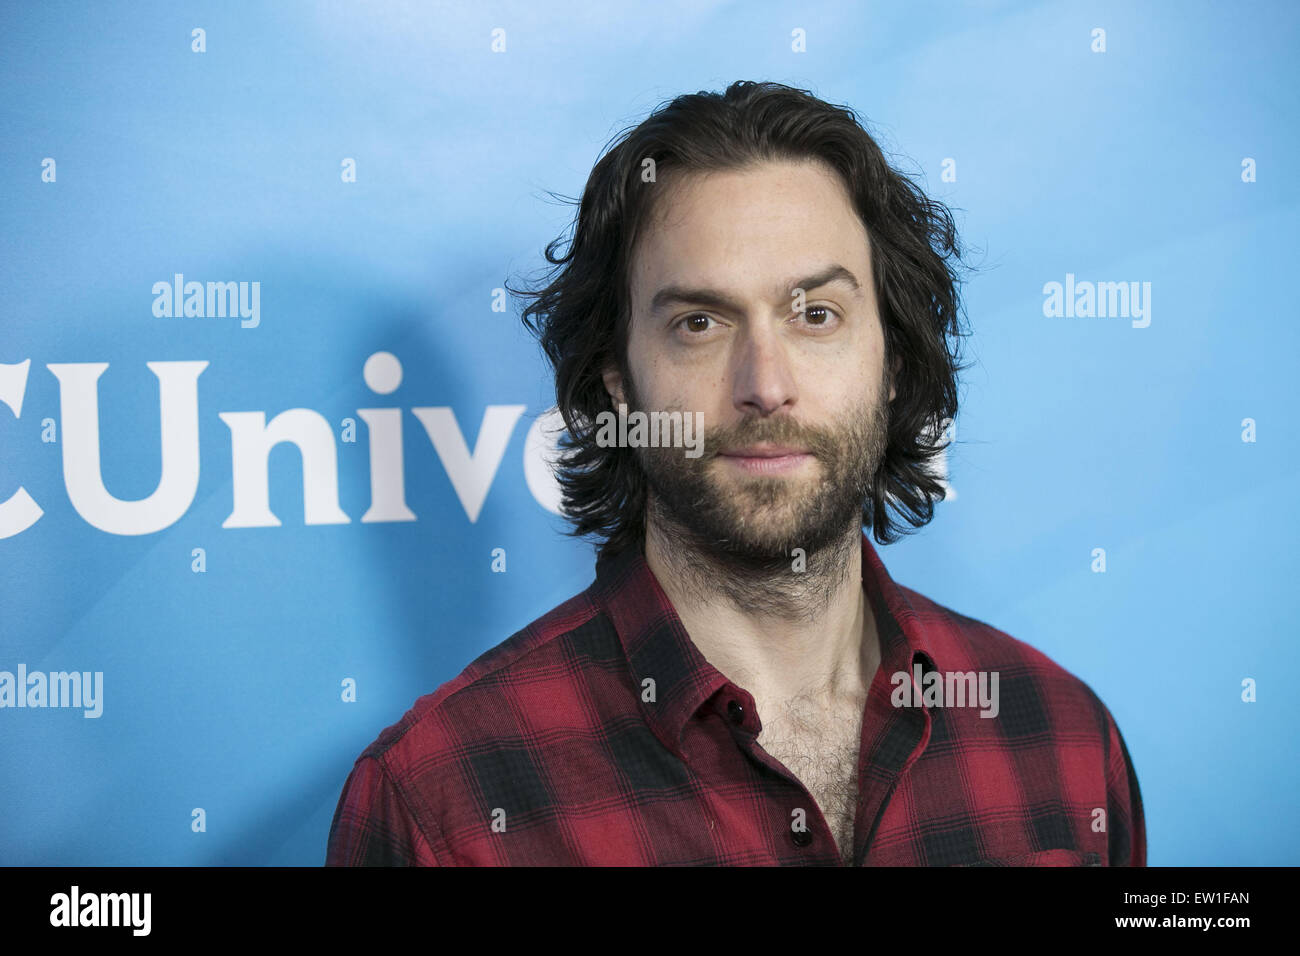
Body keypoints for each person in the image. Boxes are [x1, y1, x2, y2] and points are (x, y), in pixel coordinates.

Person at [325, 80, 1145, 866]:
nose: (764, 384)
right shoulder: (442, 799)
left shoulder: (1062, 732)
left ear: (891, 358)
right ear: (618, 377)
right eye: (700, 323)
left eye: (816, 314)